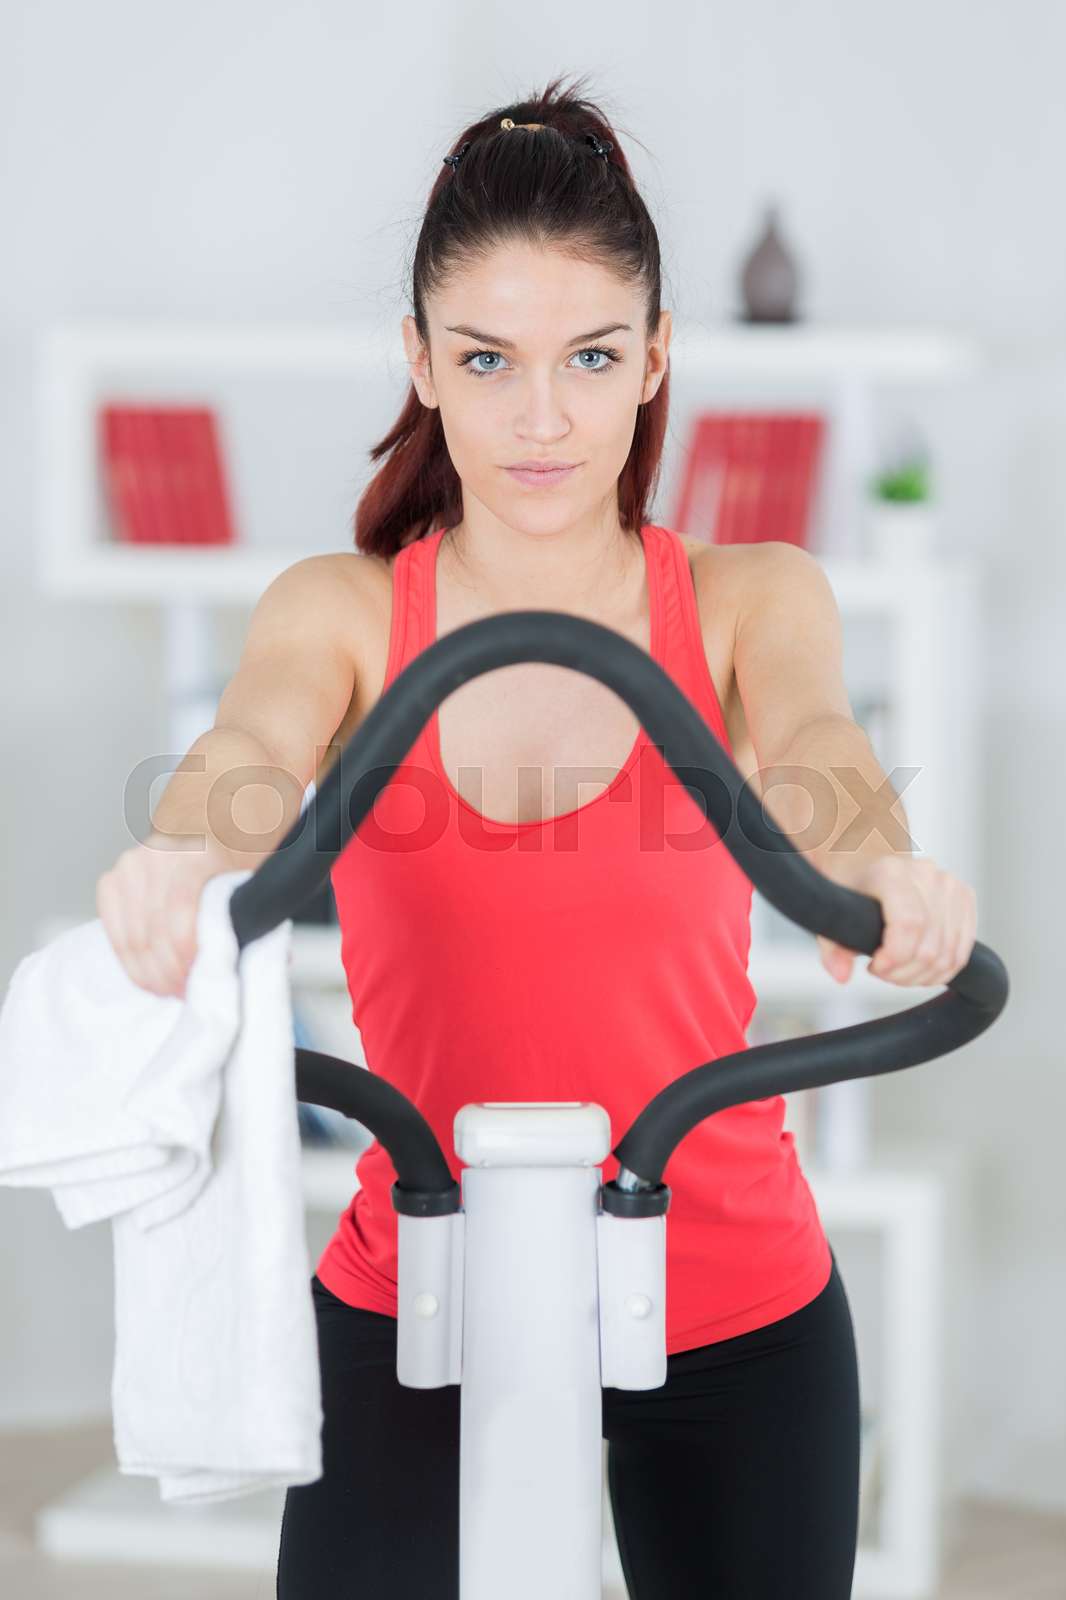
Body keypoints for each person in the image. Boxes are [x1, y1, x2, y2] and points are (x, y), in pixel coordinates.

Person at [97, 75, 978, 1600]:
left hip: (724, 1288)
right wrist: (180, 858)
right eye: (488, 359)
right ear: (420, 363)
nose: (543, 416)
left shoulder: (754, 595)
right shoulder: (350, 611)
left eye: (588, 356)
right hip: (420, 1284)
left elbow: (825, 751)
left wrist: (877, 870)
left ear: (653, 360)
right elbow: (244, 752)